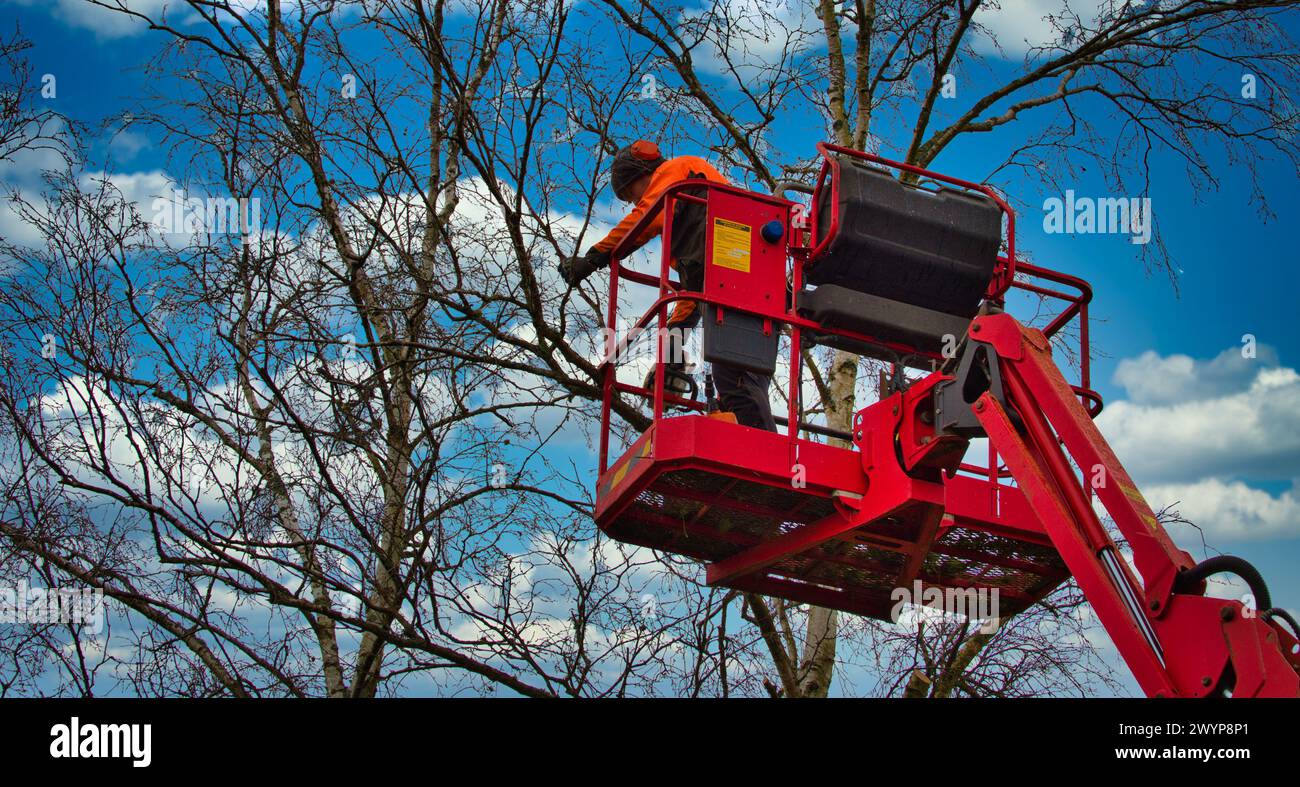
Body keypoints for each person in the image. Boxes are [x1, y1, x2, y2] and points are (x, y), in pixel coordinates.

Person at [559, 140, 776, 431]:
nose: (635, 202)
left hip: (747, 283)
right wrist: (671, 352)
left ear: (642, 173)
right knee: (733, 379)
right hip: (747, 288)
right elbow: (692, 294)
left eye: (630, 194)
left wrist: (594, 257)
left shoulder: (676, 171)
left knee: (734, 374)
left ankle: (760, 458)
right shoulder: (699, 239)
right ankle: (750, 449)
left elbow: (644, 219)